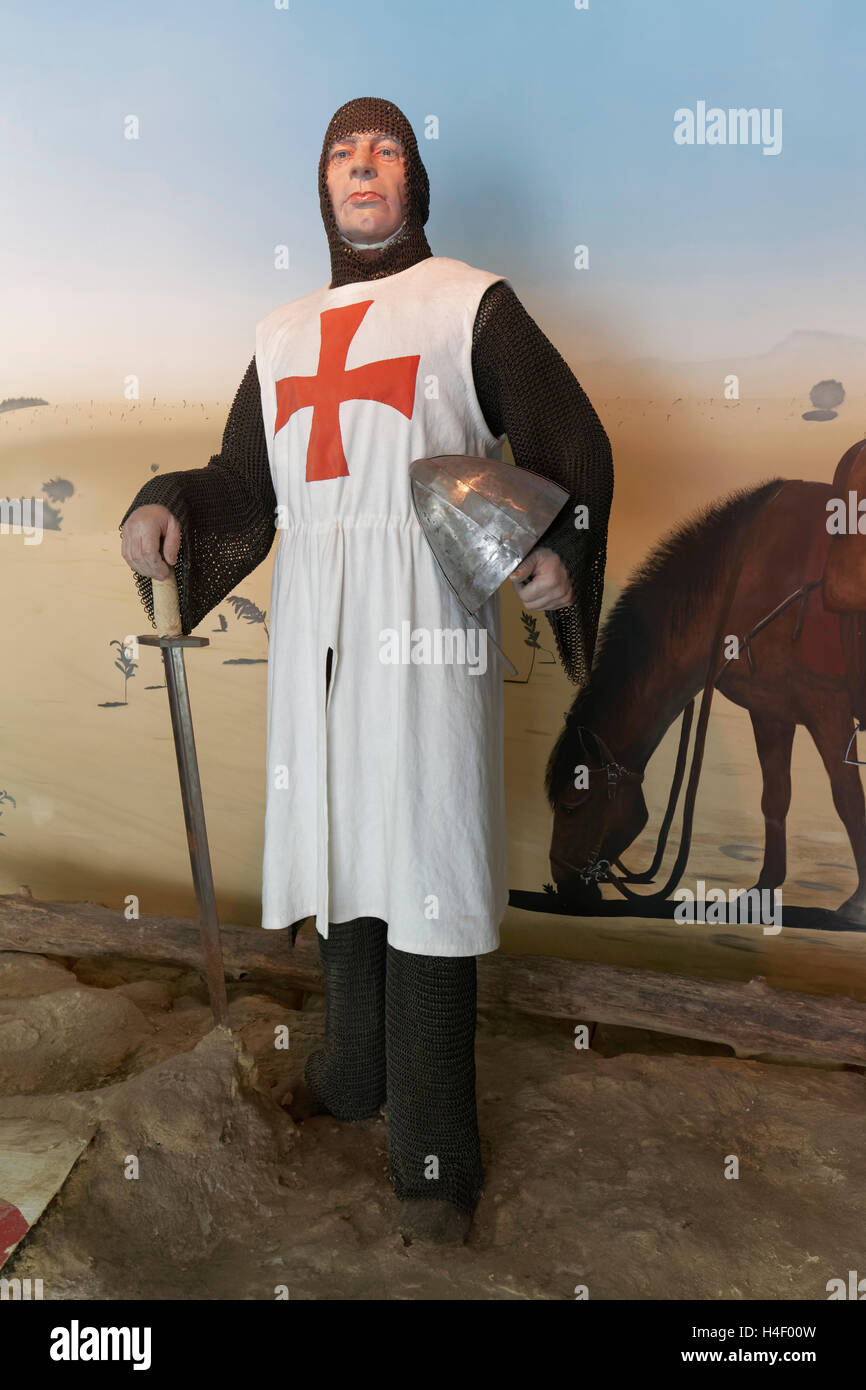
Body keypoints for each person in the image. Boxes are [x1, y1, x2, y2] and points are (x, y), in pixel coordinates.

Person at [120, 96, 613, 1244]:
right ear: (323, 186)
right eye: (343, 153)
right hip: (317, 625)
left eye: (384, 150)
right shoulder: (283, 332)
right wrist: (166, 507)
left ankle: (435, 1157)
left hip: (425, 609)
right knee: (341, 842)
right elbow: (244, 483)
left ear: (414, 180)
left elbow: (566, 440)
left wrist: (556, 551)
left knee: (425, 856)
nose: (363, 166)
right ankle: (350, 1074)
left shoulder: (463, 304)